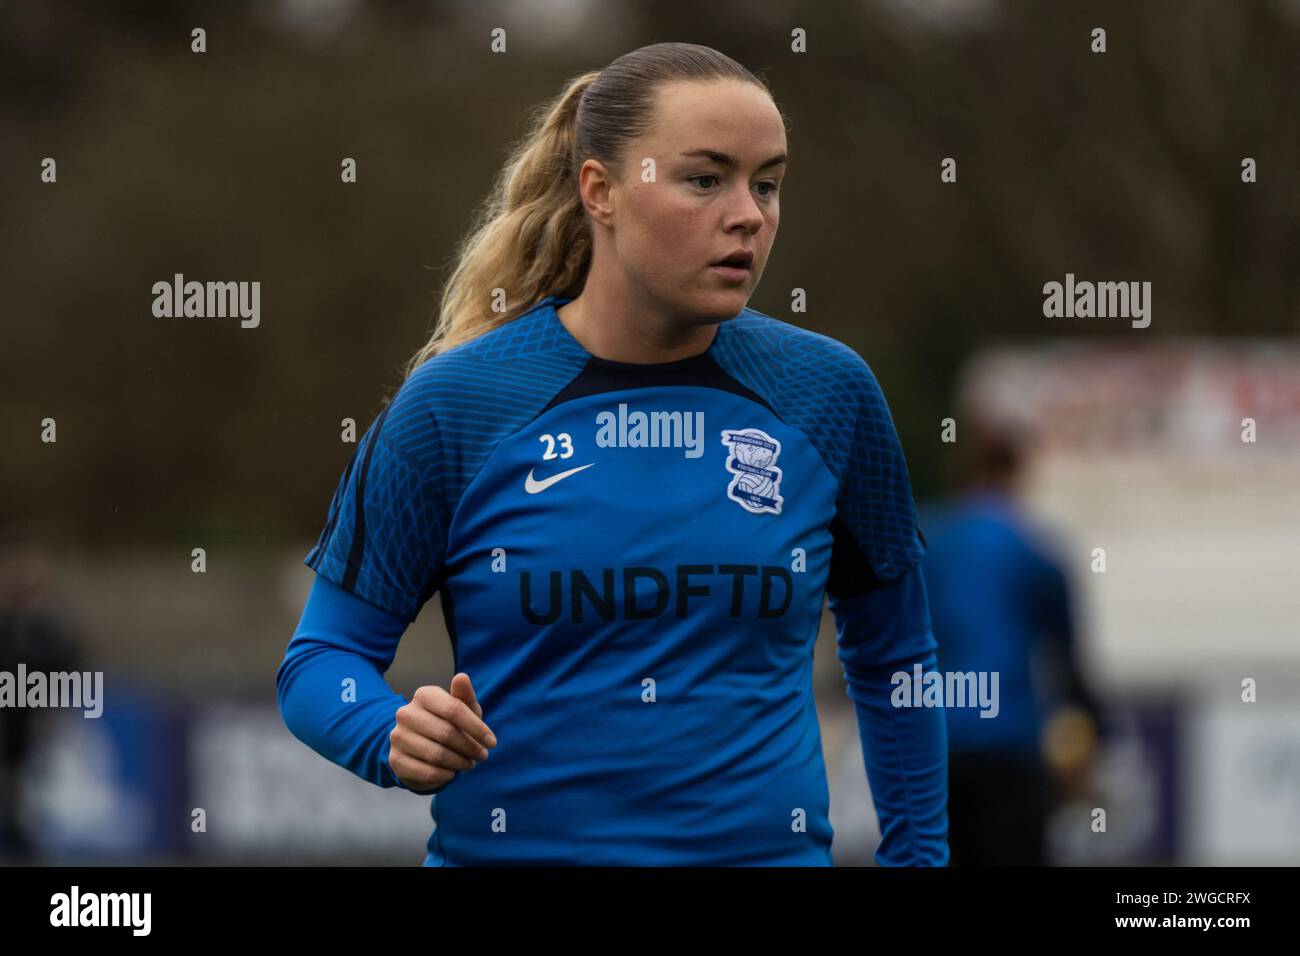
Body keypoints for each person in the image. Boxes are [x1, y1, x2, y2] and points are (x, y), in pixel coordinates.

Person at [276, 42, 947, 866]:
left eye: (766, 183)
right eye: (705, 180)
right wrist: (386, 731)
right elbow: (319, 662)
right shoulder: (458, 405)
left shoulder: (828, 394)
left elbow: (897, 660)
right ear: (600, 190)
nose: (748, 215)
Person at [920, 416, 1103, 866]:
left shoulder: (924, 543)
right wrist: (1096, 728)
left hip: (935, 749)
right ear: (1016, 475)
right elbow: (1069, 662)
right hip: (1011, 744)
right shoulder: (1036, 550)